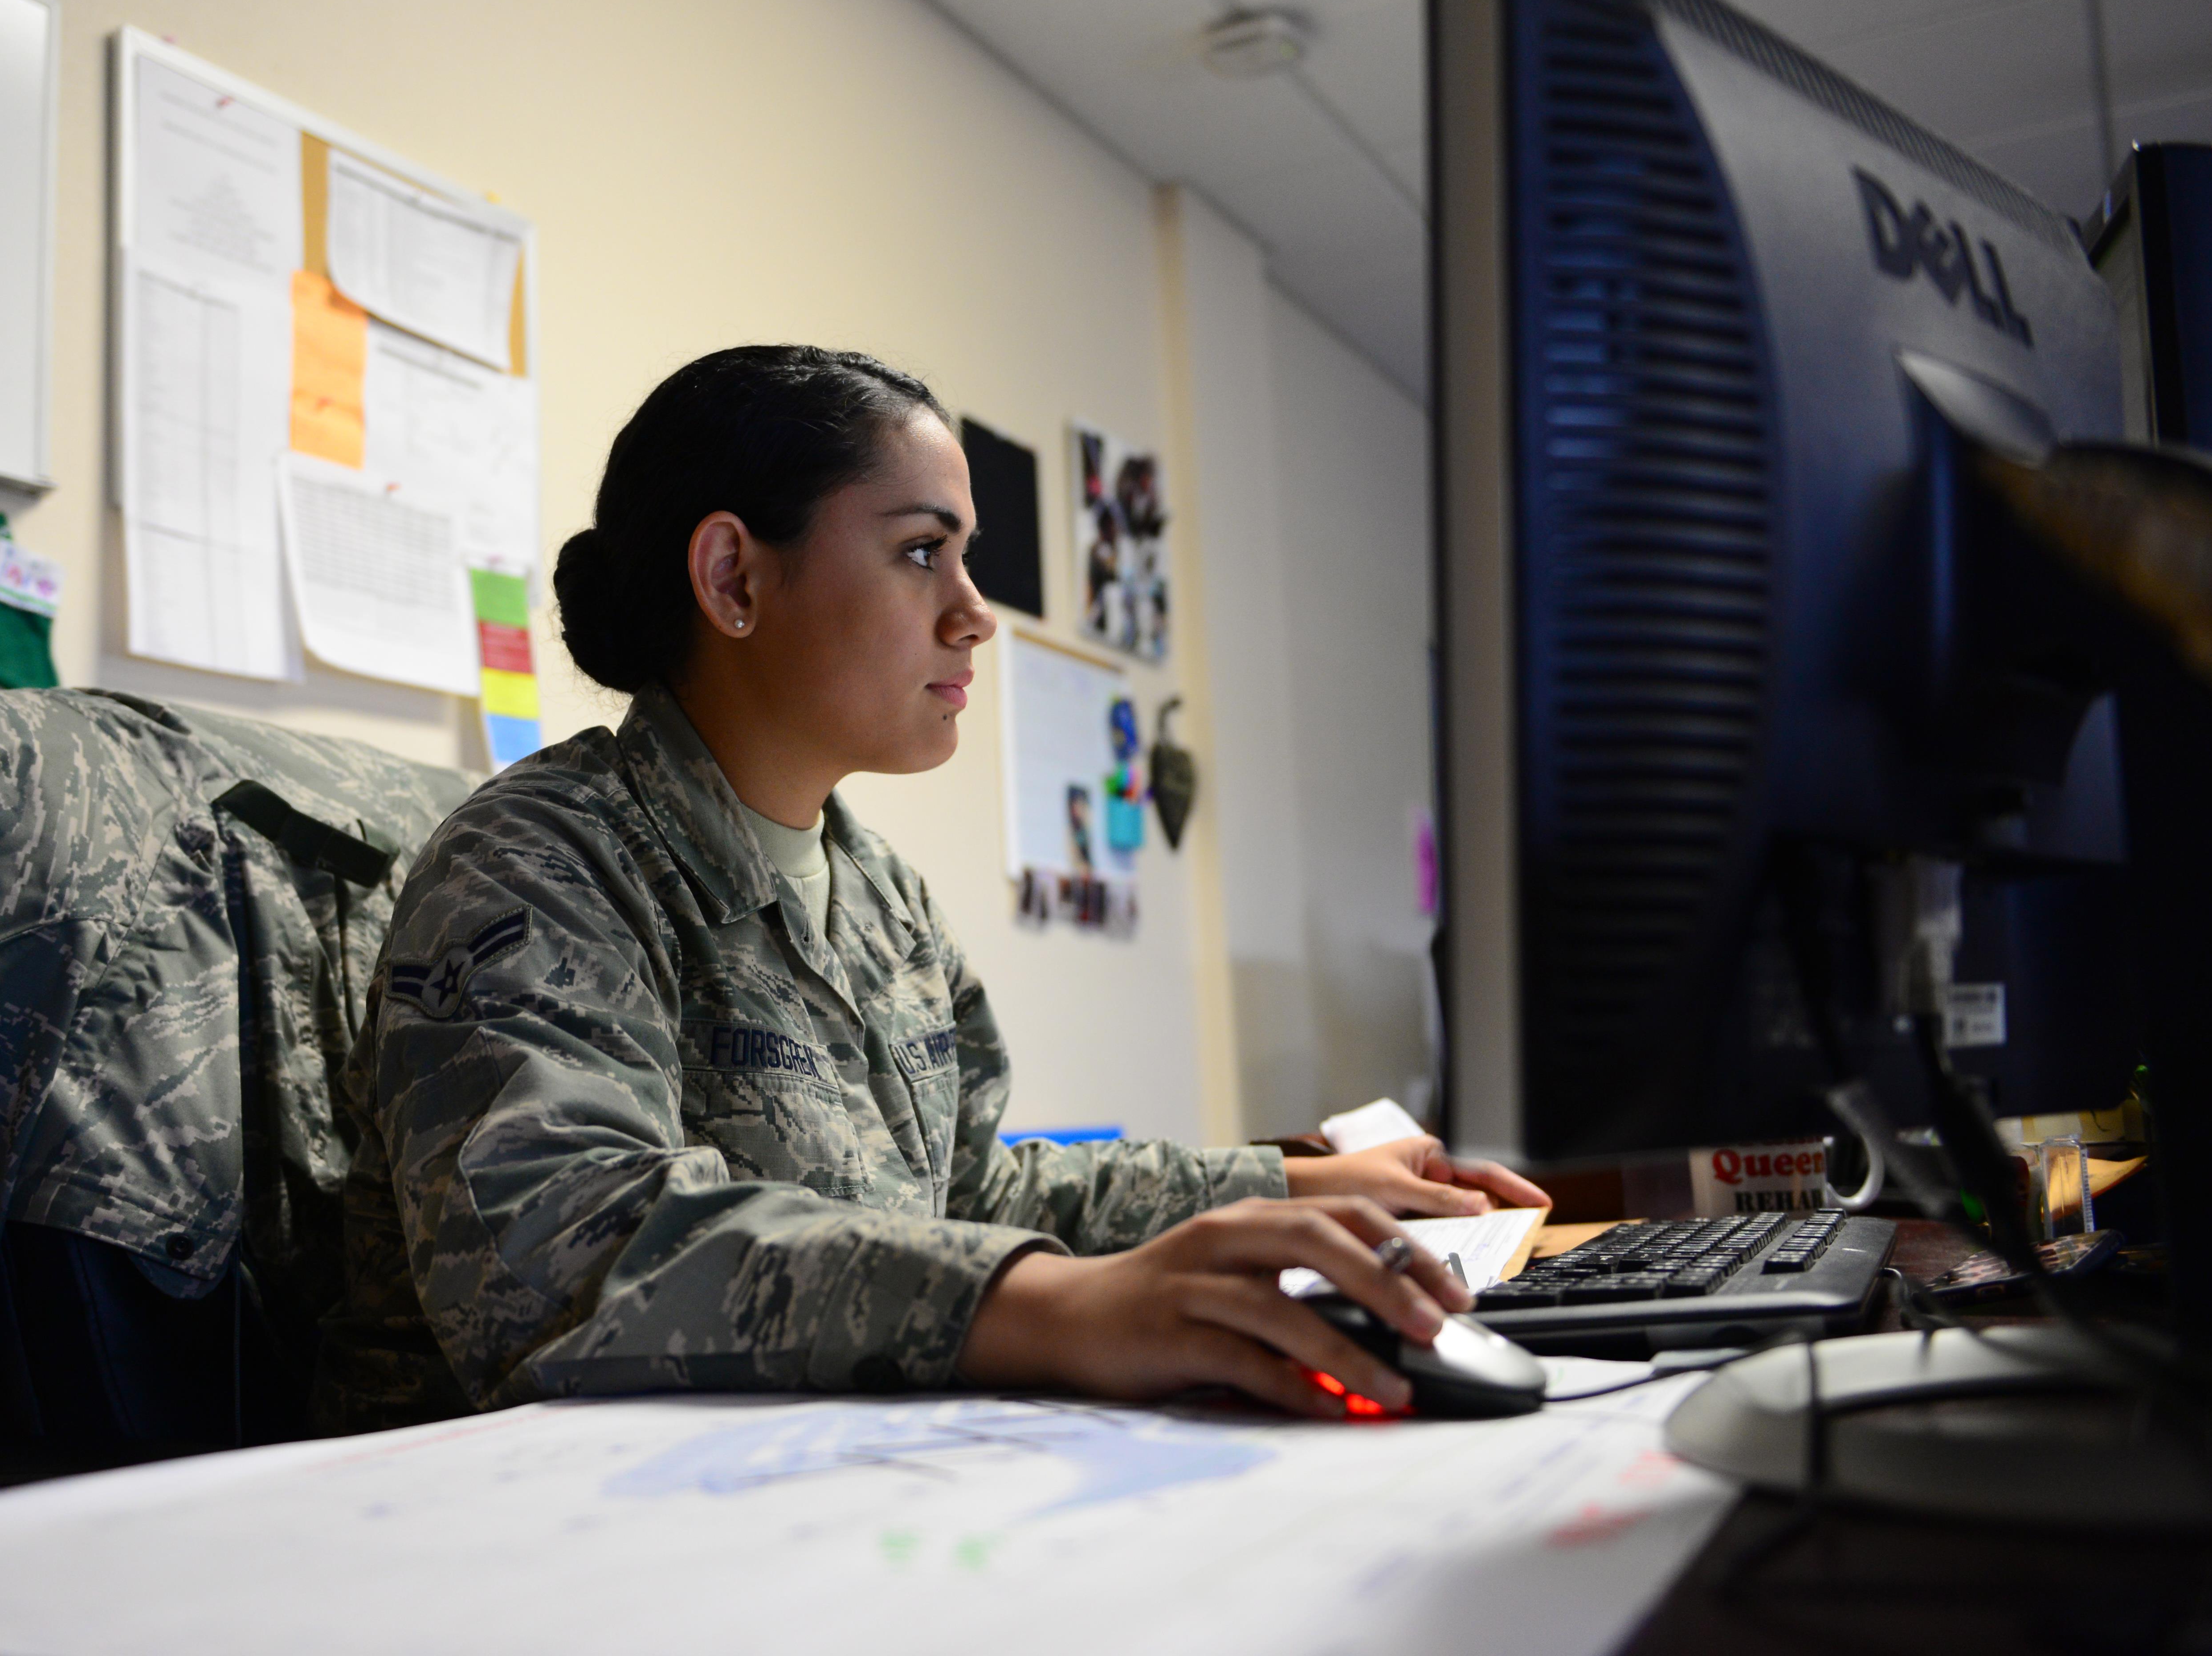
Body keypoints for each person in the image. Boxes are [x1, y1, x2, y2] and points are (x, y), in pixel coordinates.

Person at [312, 345, 1550, 1433]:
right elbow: (557, 1263)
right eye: (921, 553)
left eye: (967, 560)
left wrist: (1296, 1187)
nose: (974, 616)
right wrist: (1056, 1305)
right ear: (734, 578)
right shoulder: (539, 862)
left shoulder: (881, 896)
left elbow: (972, 1191)